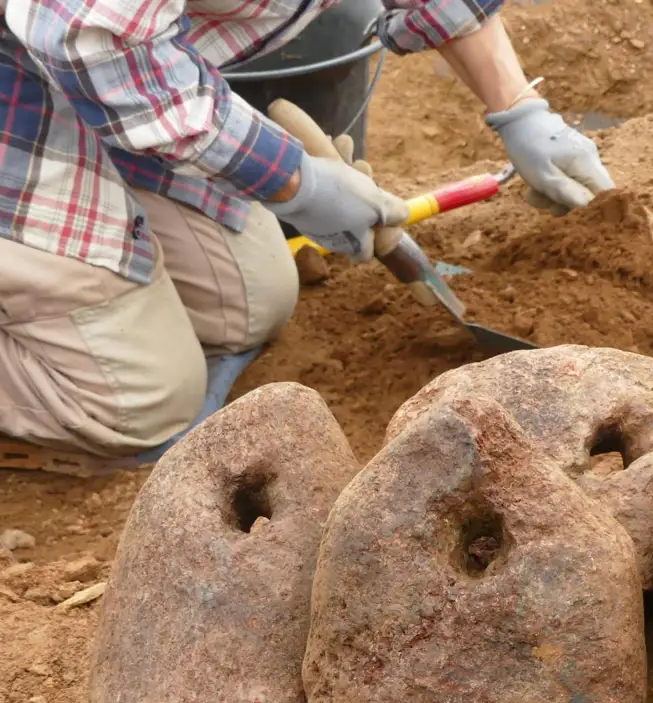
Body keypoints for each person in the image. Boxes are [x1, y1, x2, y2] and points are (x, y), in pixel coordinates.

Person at [0, 0, 613, 458]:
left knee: (253, 302)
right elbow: (88, 37)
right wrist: (300, 183)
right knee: (138, 407)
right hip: (29, 92)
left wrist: (518, 108)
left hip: (99, 89)